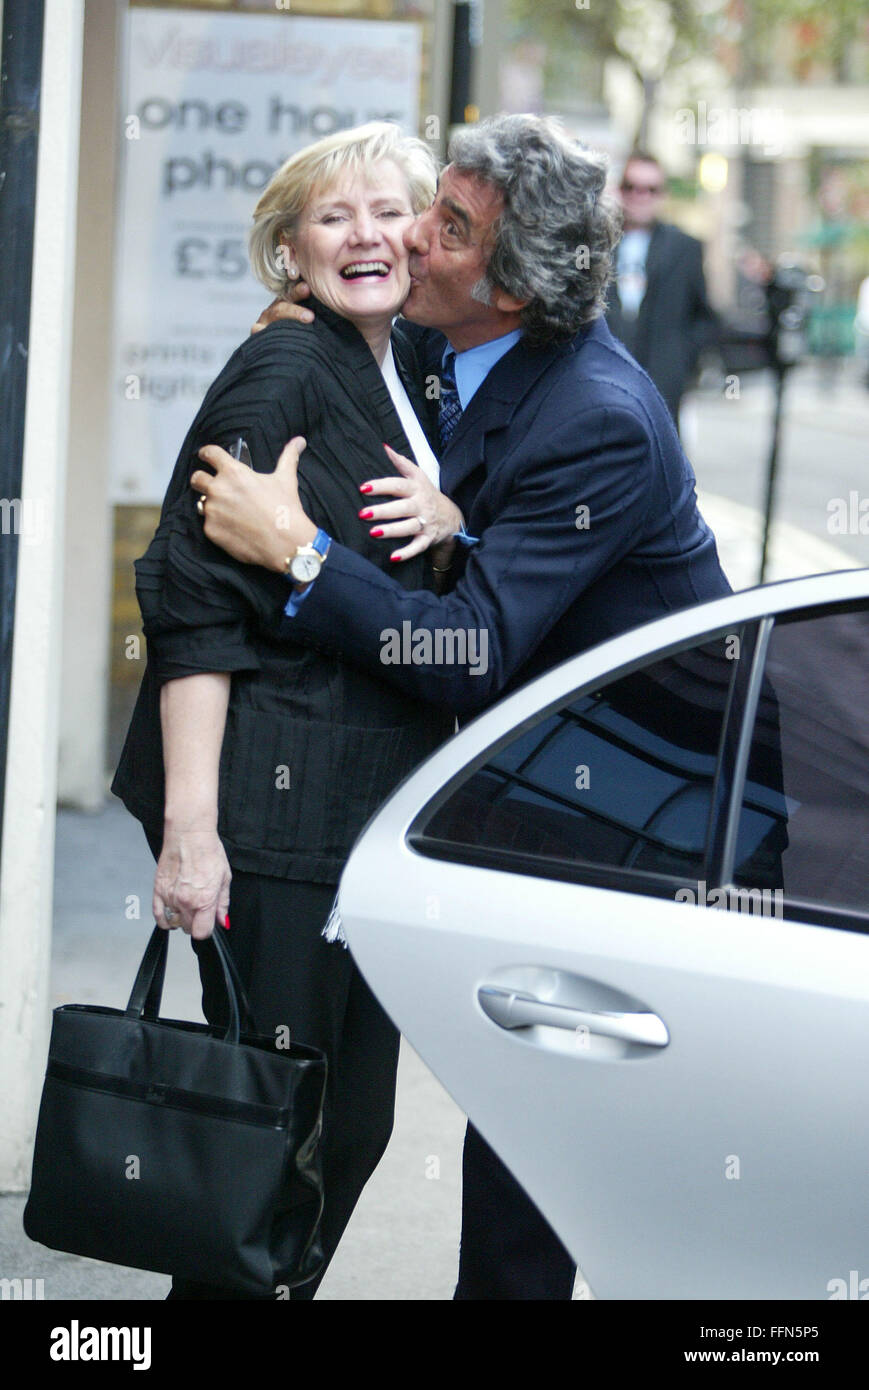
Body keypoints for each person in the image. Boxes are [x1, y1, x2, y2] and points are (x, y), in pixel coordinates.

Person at [190, 112, 735, 1300]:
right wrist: (310, 317)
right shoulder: (452, 345)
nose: (409, 240)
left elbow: (468, 647)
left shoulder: (597, 414)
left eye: (443, 226)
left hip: (637, 820)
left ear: (508, 284)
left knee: (540, 1138)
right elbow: (379, 369)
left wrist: (297, 557)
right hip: (527, 787)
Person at [111, 122, 459, 1300]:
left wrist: (455, 521)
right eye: (331, 216)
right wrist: (192, 831)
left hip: (361, 820)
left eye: (385, 212)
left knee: (339, 1133)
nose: (362, 235)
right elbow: (192, 600)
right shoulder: (283, 369)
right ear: (287, 245)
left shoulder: (406, 366)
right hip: (273, 820)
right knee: (277, 1140)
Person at [605, 150, 719, 425]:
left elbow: (704, 315)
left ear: (662, 194)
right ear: (620, 190)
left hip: (662, 390)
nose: (639, 196)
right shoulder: (596, 244)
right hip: (603, 388)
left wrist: (681, 362)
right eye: (631, 187)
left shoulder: (685, 247)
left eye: (650, 189)